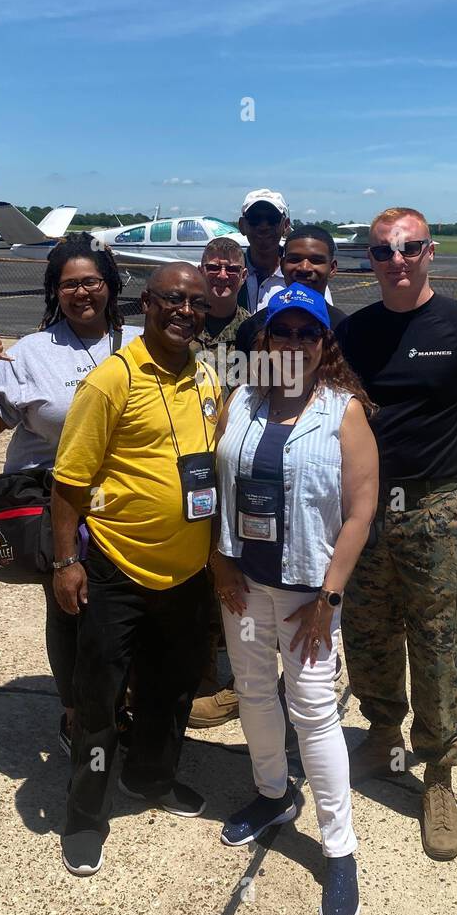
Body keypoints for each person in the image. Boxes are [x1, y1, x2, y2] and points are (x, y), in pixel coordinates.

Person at [336, 208, 457, 863]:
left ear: (429, 252)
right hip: (362, 513)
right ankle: (382, 733)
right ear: (369, 259)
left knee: (438, 644)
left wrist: (453, 486)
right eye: (383, 251)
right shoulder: (351, 333)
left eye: (409, 247)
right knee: (366, 632)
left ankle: (438, 770)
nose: (397, 260)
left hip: (434, 512)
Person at [212, 284, 379, 915]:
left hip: (308, 594)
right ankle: (272, 794)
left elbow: (361, 513)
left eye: (306, 333)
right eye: (280, 332)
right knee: (254, 694)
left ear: (322, 344)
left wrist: (327, 598)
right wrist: (218, 560)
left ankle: (339, 849)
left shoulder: (343, 412)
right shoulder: (240, 401)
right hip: (243, 585)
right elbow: (215, 486)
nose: (292, 343)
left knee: (312, 714)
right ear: (264, 341)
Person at [51, 263, 222, 877]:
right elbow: (69, 481)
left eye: (197, 303)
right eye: (173, 299)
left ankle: (152, 779)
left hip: (186, 575)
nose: (185, 311)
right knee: (97, 703)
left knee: (171, 692)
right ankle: (85, 813)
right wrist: (68, 561)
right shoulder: (111, 380)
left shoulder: (206, 379)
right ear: (146, 303)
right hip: (116, 571)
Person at [0, 233, 140, 757]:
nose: (81, 293)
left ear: (110, 284)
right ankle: (75, 713)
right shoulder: (36, 352)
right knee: (70, 607)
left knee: (122, 609)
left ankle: (121, 700)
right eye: (69, 285)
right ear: (54, 292)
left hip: (126, 501)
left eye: (91, 281)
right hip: (57, 499)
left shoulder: (139, 341)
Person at [188, 237, 250, 730]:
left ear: (243, 273)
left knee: (234, 565)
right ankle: (200, 671)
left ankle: (238, 676)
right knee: (193, 565)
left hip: (234, 464)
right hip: (184, 462)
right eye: (213, 267)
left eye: (231, 268)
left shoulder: (255, 332)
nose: (221, 275)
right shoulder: (182, 321)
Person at [234, 225, 345, 360]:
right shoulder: (252, 328)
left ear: (332, 268)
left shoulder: (347, 330)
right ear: (282, 265)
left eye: (316, 260)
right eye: (295, 259)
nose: (304, 268)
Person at [235, 190, 292, 312]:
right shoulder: (228, 275)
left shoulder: (298, 276)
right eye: (255, 218)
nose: (263, 226)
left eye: (272, 219)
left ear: (286, 225)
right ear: (242, 225)